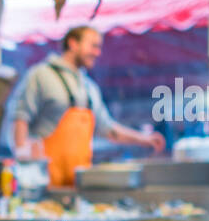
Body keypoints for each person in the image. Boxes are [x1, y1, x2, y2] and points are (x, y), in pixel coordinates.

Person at [10, 26, 164, 186]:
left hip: (77, 183)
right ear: (73, 44)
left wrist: (145, 139)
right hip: (43, 183)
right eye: (93, 46)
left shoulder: (89, 87)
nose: (97, 53)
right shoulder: (41, 75)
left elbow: (108, 129)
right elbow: (20, 117)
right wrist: (24, 164)